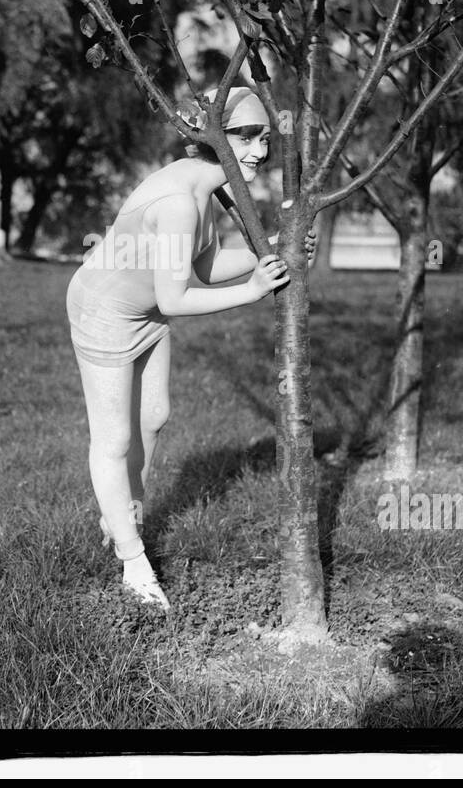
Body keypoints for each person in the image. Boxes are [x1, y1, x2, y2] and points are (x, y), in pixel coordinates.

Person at [65, 87, 315, 610]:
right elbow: (176, 296)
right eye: (245, 136)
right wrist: (252, 289)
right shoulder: (180, 200)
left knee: (154, 417)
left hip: (145, 312)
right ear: (212, 135)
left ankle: (121, 516)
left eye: (264, 138)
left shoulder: (204, 189)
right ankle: (133, 559)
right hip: (106, 313)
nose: (259, 151)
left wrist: (269, 256)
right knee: (112, 439)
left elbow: (197, 267)